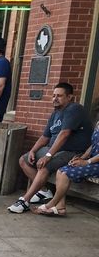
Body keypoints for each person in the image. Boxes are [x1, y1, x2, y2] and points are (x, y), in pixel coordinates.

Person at [8, 82, 93, 213]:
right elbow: (45, 137)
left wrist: (48, 156)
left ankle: (25, 201)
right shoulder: (55, 113)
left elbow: (64, 134)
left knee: (44, 166)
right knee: (24, 160)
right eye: (53, 95)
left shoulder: (74, 109)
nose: (55, 98)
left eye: (59, 96)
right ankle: (44, 191)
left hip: (73, 152)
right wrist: (33, 150)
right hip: (55, 150)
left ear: (69, 97)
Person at [34, 120, 99, 217]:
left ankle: (51, 204)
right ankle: (60, 207)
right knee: (61, 170)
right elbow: (93, 145)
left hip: (96, 164)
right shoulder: (98, 123)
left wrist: (86, 162)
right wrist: (82, 157)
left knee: (65, 174)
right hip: (92, 161)